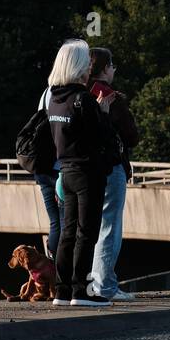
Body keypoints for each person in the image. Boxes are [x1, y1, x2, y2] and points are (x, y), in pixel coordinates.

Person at [45, 39, 115, 307]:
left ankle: (62, 291)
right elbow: (102, 137)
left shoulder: (55, 99)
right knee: (87, 231)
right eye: (86, 62)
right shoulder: (83, 99)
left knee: (68, 231)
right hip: (88, 172)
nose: (89, 66)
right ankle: (80, 291)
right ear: (78, 66)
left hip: (66, 170)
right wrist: (104, 112)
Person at [87, 47, 138, 301]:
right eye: (112, 64)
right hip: (110, 166)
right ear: (105, 68)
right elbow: (131, 136)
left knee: (84, 227)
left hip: (80, 169)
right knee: (109, 226)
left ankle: (80, 285)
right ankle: (104, 284)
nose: (114, 69)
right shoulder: (111, 97)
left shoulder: (76, 93)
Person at [34, 85, 62, 259]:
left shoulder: (46, 93)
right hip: (60, 169)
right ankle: (66, 271)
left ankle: (53, 264)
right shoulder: (71, 94)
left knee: (55, 222)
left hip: (42, 169)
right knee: (68, 223)